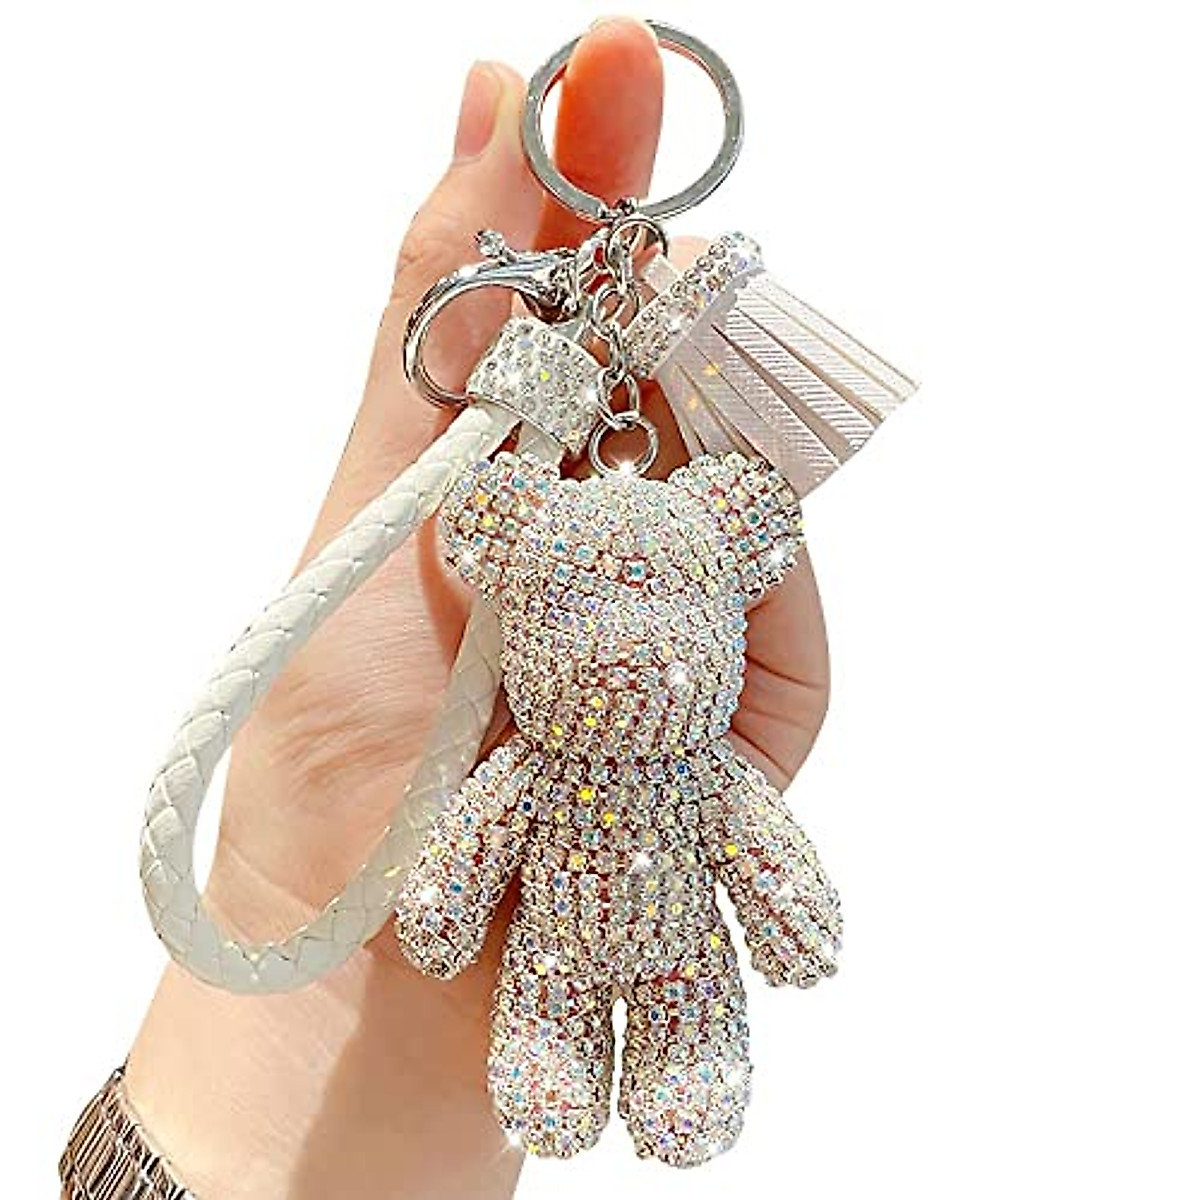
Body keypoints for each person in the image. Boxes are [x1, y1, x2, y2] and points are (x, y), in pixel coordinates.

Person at [65, 17, 829, 1198]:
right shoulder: (522, 771)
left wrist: (370, 1049)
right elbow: (458, 872)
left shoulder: (702, 776)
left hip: (673, 943)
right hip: (546, 951)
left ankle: (680, 1054)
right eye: (586, 610)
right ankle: (551, 1052)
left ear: (734, 543)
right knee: (546, 1007)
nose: (629, 653)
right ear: (510, 548)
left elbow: (767, 863)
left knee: (688, 1005)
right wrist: (353, 948)